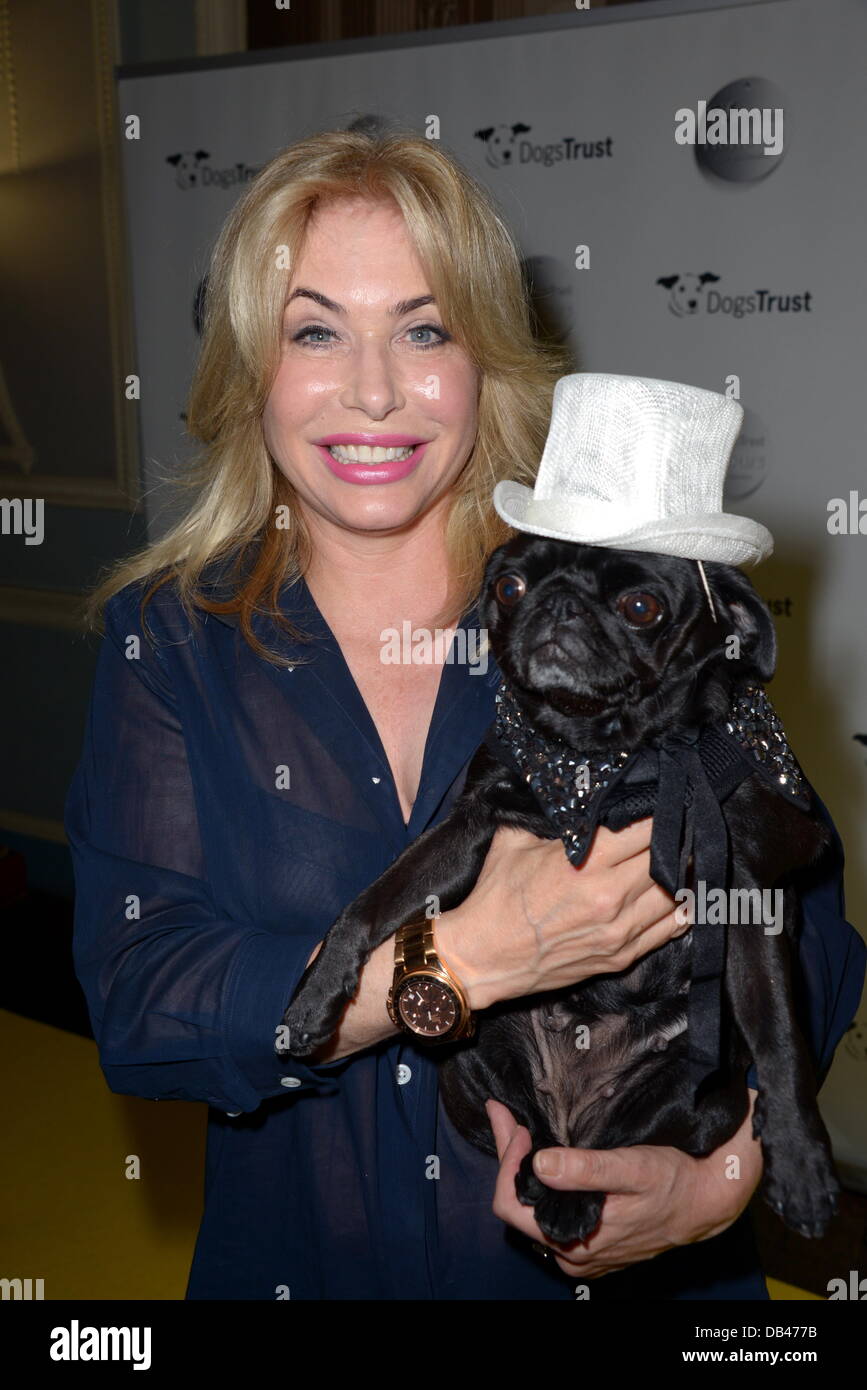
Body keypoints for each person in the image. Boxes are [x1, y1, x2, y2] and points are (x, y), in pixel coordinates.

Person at [66, 128, 865, 1301]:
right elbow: (144, 1005)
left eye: (425, 329)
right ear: (252, 368)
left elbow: (817, 947)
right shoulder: (172, 643)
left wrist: (728, 1174)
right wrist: (463, 959)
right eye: (316, 329)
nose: (375, 389)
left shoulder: (616, 613)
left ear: (486, 357)